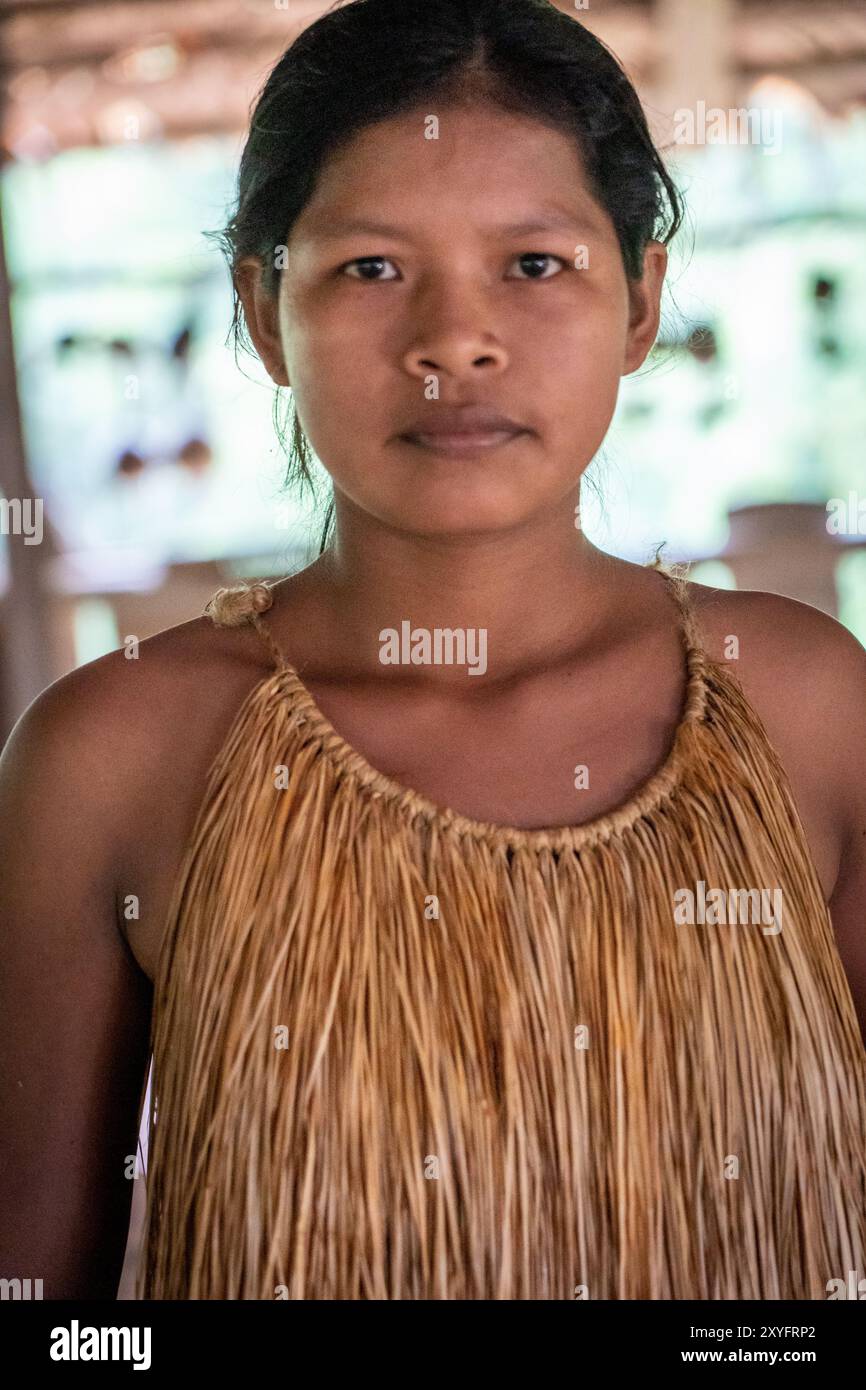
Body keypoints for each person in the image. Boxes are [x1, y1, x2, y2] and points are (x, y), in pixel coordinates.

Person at [2, 0, 865, 1301]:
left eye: (532, 263)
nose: (453, 340)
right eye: (368, 267)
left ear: (639, 300)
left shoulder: (810, 705)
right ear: (259, 309)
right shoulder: (114, 752)